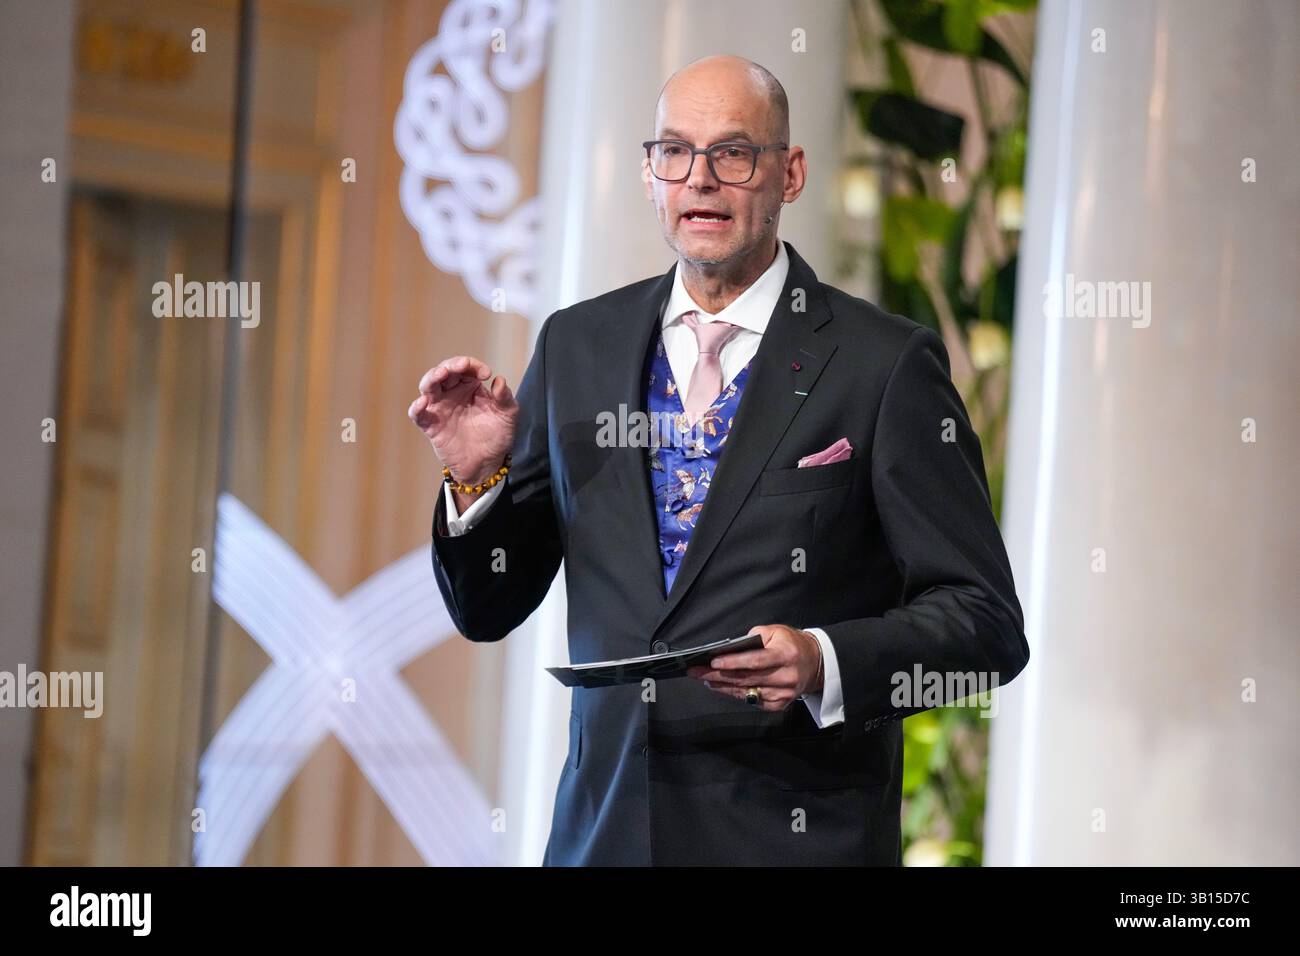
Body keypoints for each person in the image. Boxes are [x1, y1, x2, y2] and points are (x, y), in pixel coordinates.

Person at [408, 55, 1028, 865]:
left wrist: (821, 662)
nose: (700, 179)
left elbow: (986, 626)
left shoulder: (884, 364)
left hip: (795, 840)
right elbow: (486, 609)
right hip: (605, 837)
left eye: (733, 153)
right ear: (649, 173)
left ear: (790, 173)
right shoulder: (577, 346)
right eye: (675, 152)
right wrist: (476, 479)